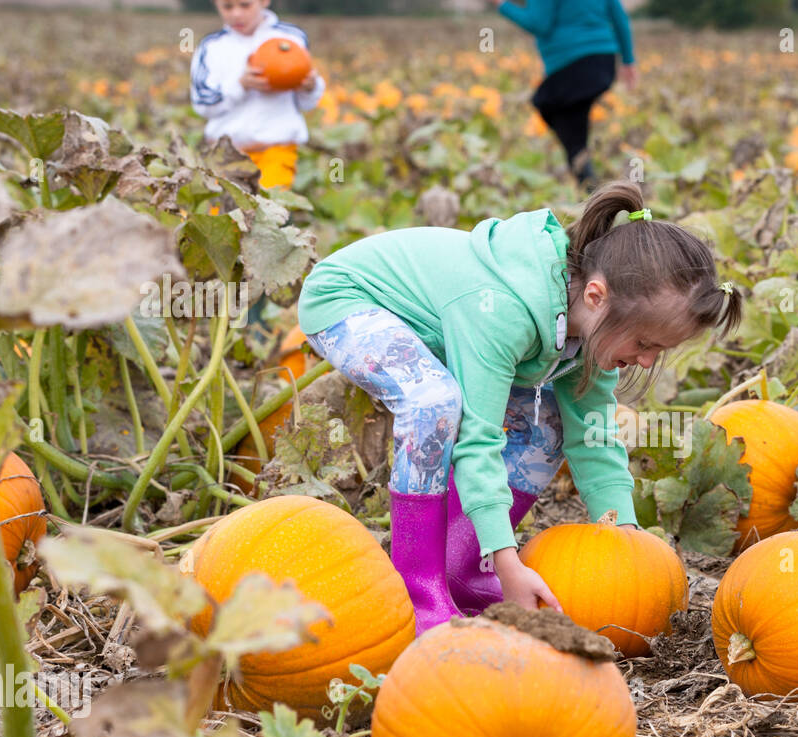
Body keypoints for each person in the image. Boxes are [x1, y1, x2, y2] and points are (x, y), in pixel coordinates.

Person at [296, 181, 742, 634]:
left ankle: (462, 568)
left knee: (546, 423)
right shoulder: (504, 310)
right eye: (644, 343)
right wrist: (511, 563)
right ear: (595, 296)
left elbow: (592, 432)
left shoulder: (596, 327)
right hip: (348, 301)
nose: (646, 360)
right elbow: (478, 438)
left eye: (658, 351)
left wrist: (622, 532)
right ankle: (417, 591)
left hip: (432, 328)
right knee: (434, 403)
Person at [489, 0, 638, 193]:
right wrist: (628, 61)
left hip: (572, 63)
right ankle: (589, 182)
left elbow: (539, 24)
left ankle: (592, 188)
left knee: (546, 103)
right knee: (572, 123)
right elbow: (619, 18)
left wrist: (502, 5)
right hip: (604, 63)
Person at [189, 0, 325, 191]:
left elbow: (307, 103)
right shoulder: (211, 46)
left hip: (276, 149)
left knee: (267, 211)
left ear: (264, 2)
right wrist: (240, 86)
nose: (236, 14)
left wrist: (310, 86)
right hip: (226, 154)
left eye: (245, 5)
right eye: (227, 7)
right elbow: (202, 103)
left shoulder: (292, 38)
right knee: (220, 214)